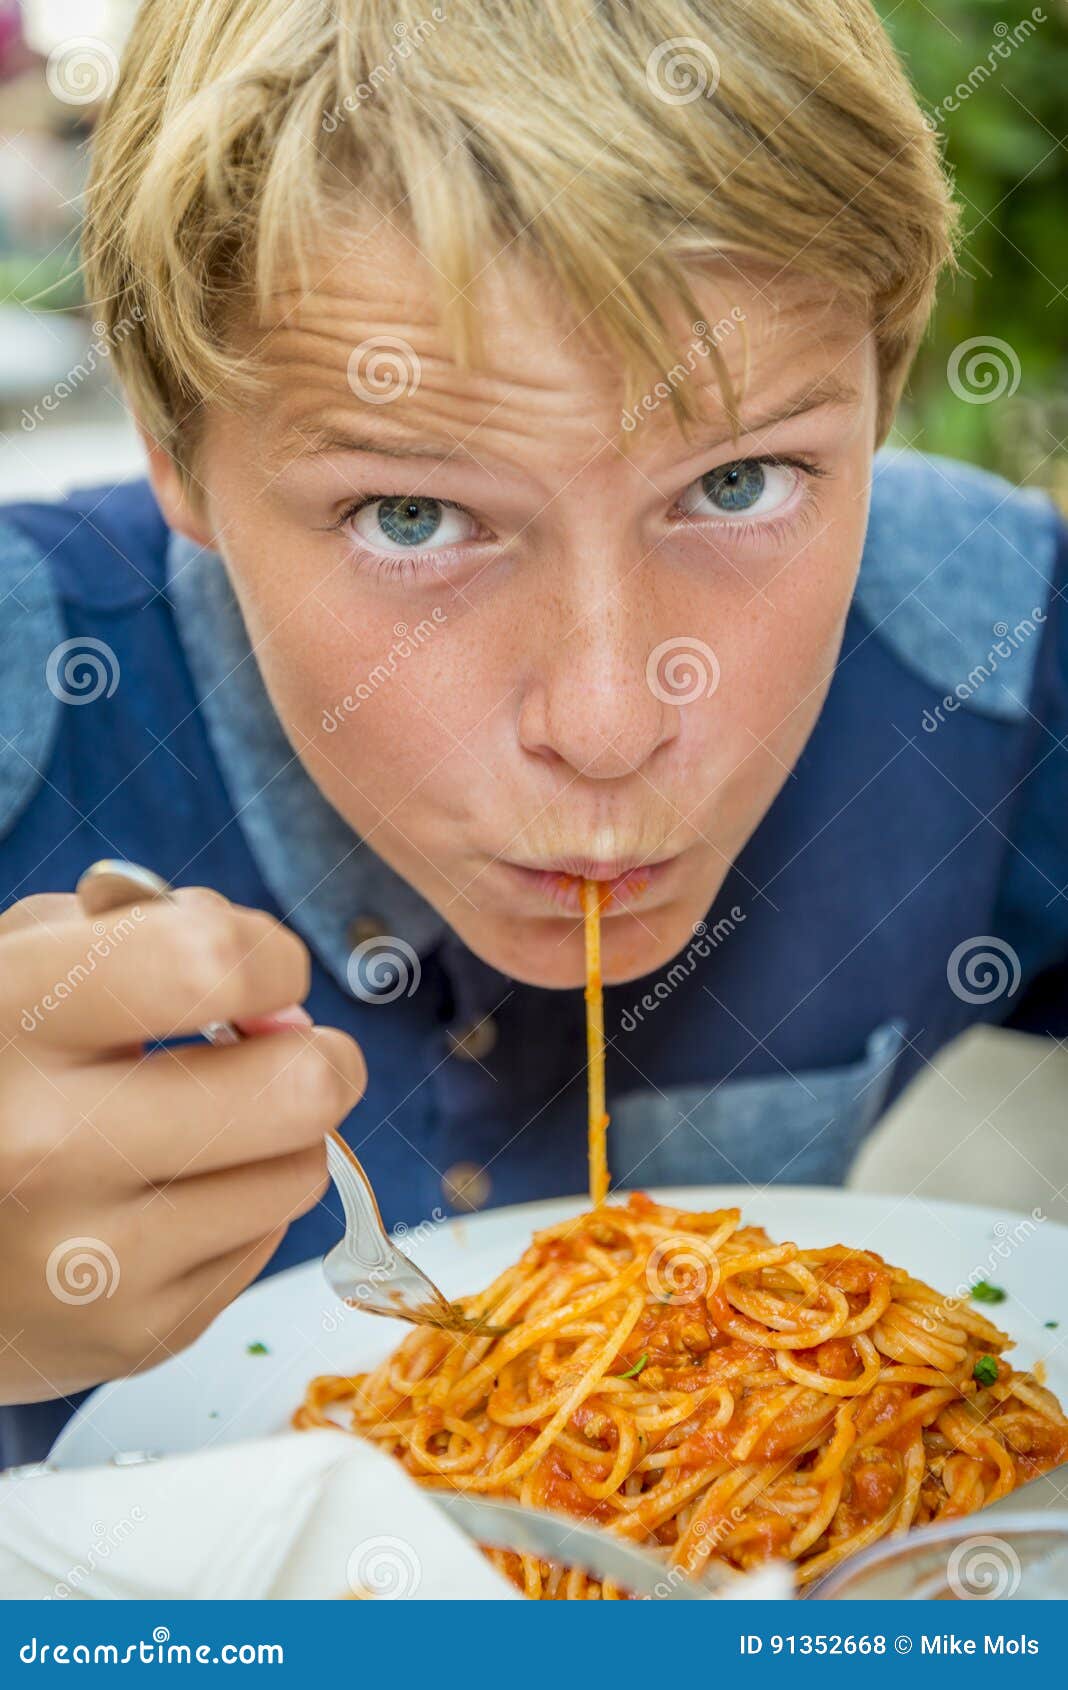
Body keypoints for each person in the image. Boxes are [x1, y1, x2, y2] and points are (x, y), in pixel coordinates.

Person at [0, 0, 1065, 1466]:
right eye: (414, 516)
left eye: (743, 482)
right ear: (175, 449)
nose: (613, 721)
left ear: (885, 396)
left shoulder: (996, 643)